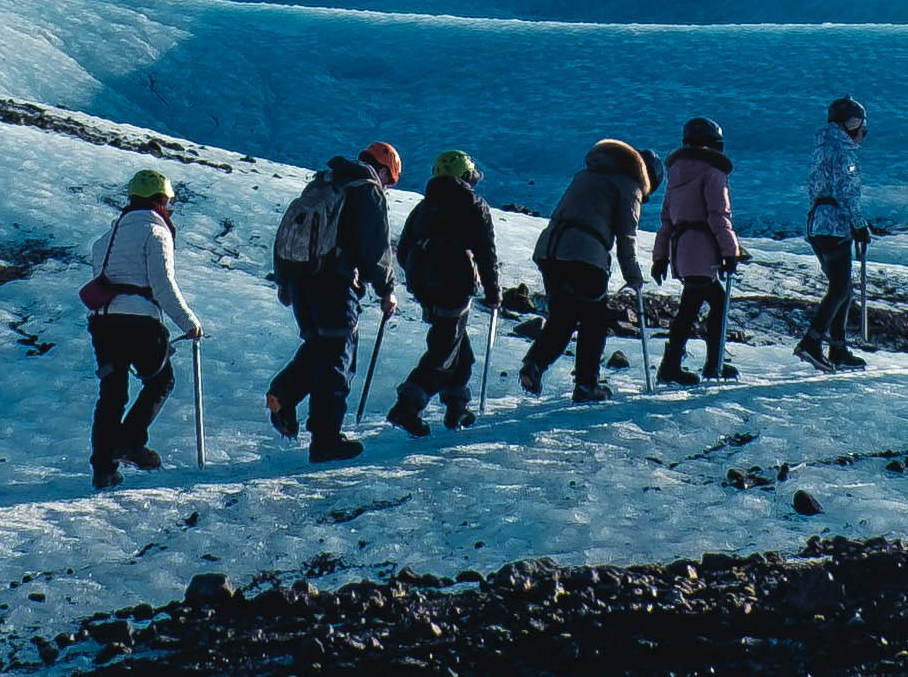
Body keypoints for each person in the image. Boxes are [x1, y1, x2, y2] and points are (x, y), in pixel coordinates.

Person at [267, 143, 398, 463]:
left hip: (301, 281)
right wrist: (386, 289)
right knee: (338, 357)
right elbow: (375, 248)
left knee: (318, 347)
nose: (388, 188)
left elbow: (294, 230)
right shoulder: (367, 191)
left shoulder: (324, 182)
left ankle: (283, 394)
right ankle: (325, 439)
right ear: (382, 170)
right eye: (390, 181)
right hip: (335, 283)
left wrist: (285, 280)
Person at [85, 166, 201, 488]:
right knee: (161, 381)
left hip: (104, 323)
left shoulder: (106, 238)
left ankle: (104, 469)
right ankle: (131, 442)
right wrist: (188, 322)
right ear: (160, 200)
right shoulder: (157, 232)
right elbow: (162, 285)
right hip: (139, 322)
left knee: (111, 395)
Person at [522, 138, 652, 404]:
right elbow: (627, 236)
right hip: (584, 254)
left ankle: (534, 364)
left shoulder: (587, 176)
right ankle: (586, 384)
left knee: (564, 316)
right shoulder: (629, 186)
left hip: (550, 250)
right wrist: (633, 276)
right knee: (594, 320)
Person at [389, 150, 499, 433]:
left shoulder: (423, 207)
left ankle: (457, 408)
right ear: (466, 176)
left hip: (424, 285)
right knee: (444, 350)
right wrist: (493, 292)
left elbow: (403, 251)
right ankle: (408, 406)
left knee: (457, 346)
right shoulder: (473, 204)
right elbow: (486, 253)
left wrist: (421, 280)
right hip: (455, 283)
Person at [652, 116, 739, 381]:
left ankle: (682, 363)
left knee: (695, 305)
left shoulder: (675, 175)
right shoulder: (713, 173)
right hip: (703, 247)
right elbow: (718, 215)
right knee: (709, 304)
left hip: (682, 248)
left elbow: (666, 220)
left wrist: (660, 258)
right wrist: (730, 251)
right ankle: (708, 364)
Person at [799, 96, 874, 366]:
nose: (862, 133)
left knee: (842, 287)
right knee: (841, 287)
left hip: (817, 223)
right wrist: (859, 224)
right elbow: (847, 193)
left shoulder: (821, 149)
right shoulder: (843, 153)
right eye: (860, 127)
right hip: (835, 225)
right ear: (851, 124)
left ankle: (838, 348)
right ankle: (812, 340)